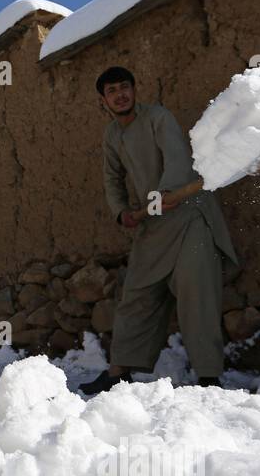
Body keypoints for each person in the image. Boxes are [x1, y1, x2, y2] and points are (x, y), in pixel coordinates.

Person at [80, 66, 239, 395]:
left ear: (135, 91)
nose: (120, 94)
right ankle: (118, 371)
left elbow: (177, 160)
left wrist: (166, 194)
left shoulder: (158, 117)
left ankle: (209, 377)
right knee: (135, 296)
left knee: (197, 294)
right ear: (103, 100)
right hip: (152, 224)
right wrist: (121, 212)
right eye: (112, 91)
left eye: (125, 87)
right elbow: (112, 179)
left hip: (188, 216)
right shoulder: (112, 135)